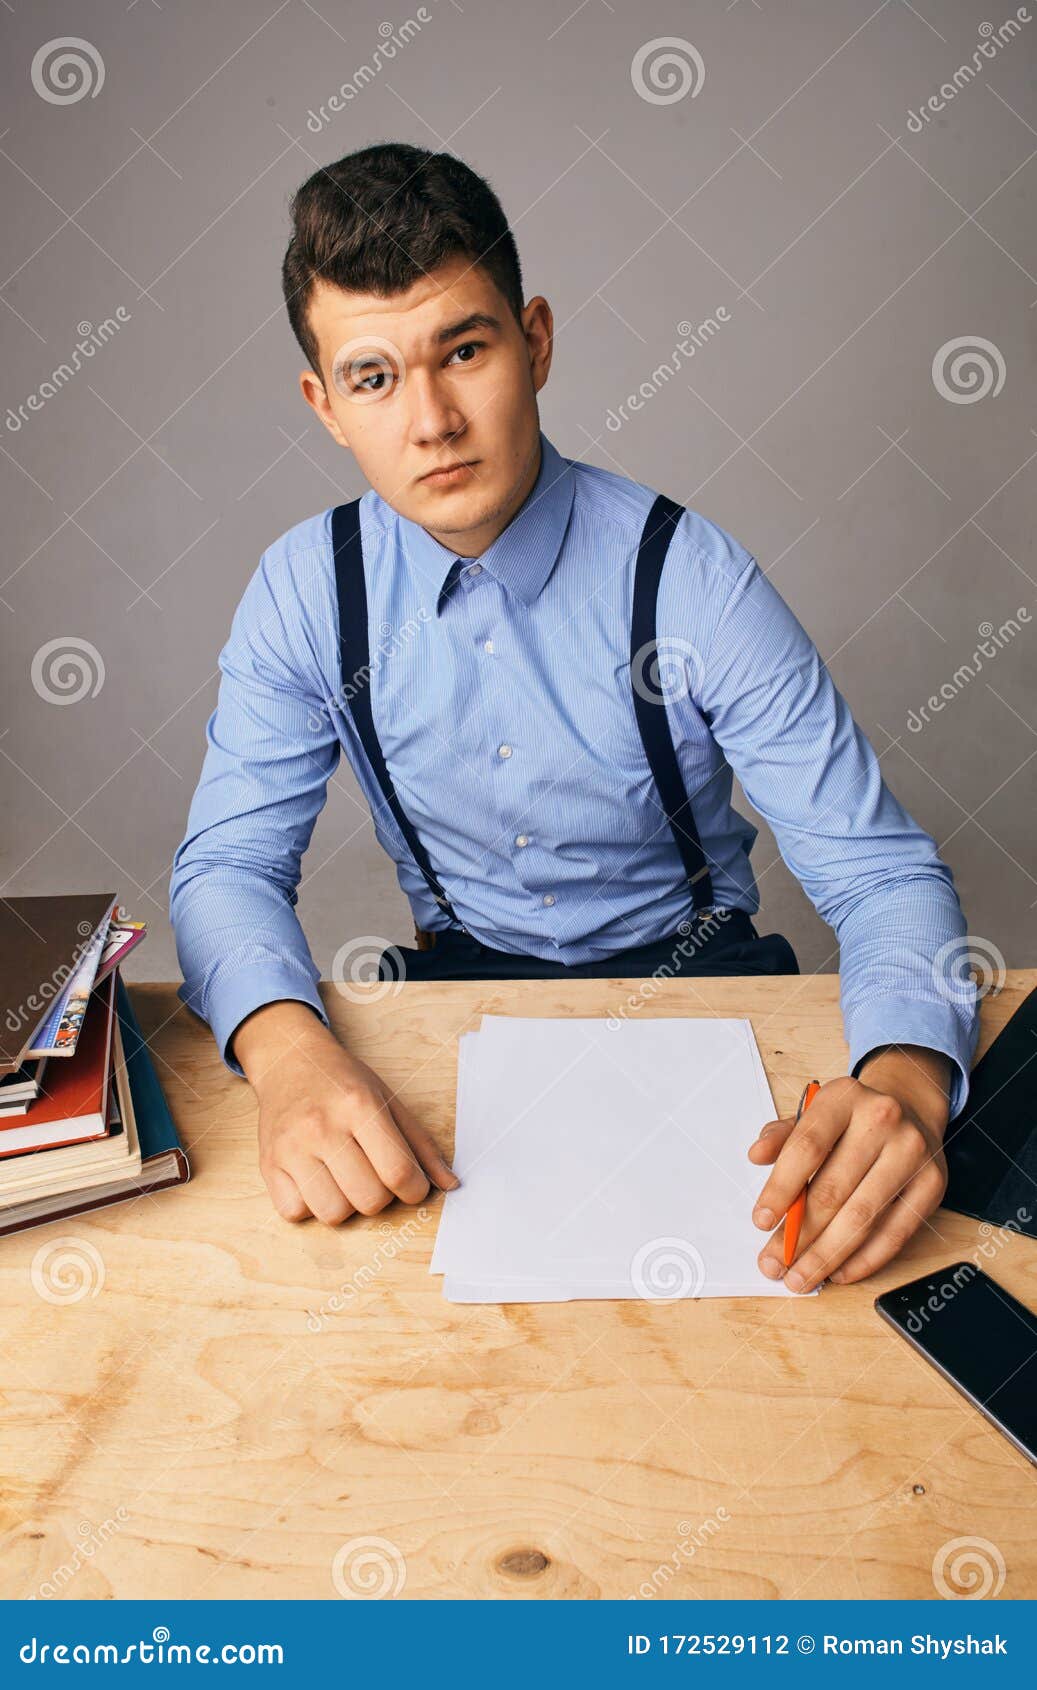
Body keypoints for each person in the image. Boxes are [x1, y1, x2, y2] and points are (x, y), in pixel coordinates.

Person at [169, 143, 979, 1294]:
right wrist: (287, 1050)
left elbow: (880, 874)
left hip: (709, 982)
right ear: (325, 406)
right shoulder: (308, 593)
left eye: (464, 349)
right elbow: (226, 866)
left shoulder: (687, 575)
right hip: (458, 997)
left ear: (534, 341)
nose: (433, 419)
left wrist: (903, 1081)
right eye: (373, 378)